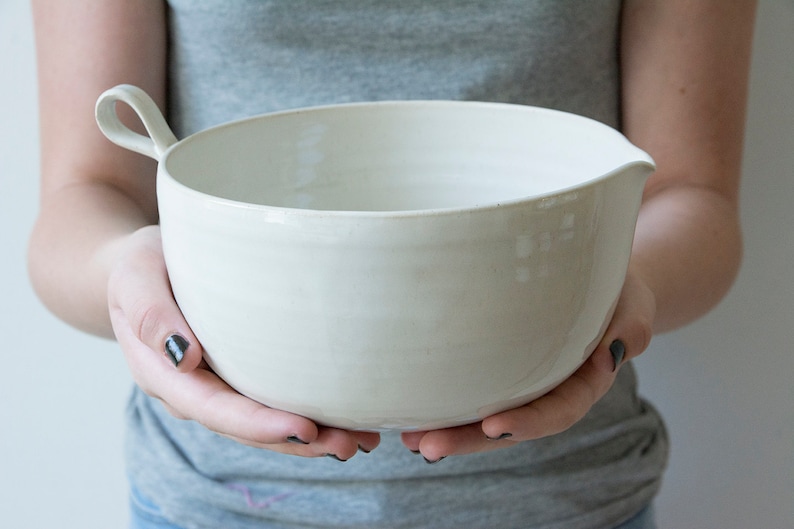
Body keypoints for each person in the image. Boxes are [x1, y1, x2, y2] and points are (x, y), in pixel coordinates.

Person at [28, 1, 756, 528]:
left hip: (570, 495)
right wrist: (127, 272)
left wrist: (619, 296)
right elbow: (82, 195)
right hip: (215, 502)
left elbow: (690, 193)